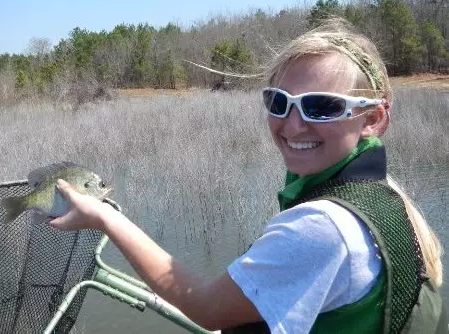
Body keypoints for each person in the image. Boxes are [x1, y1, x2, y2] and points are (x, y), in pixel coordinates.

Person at [50, 19, 447, 333]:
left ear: (373, 118)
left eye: (321, 106)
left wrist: (106, 217)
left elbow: (205, 307)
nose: (292, 125)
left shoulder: (323, 229)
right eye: (278, 102)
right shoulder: (384, 195)